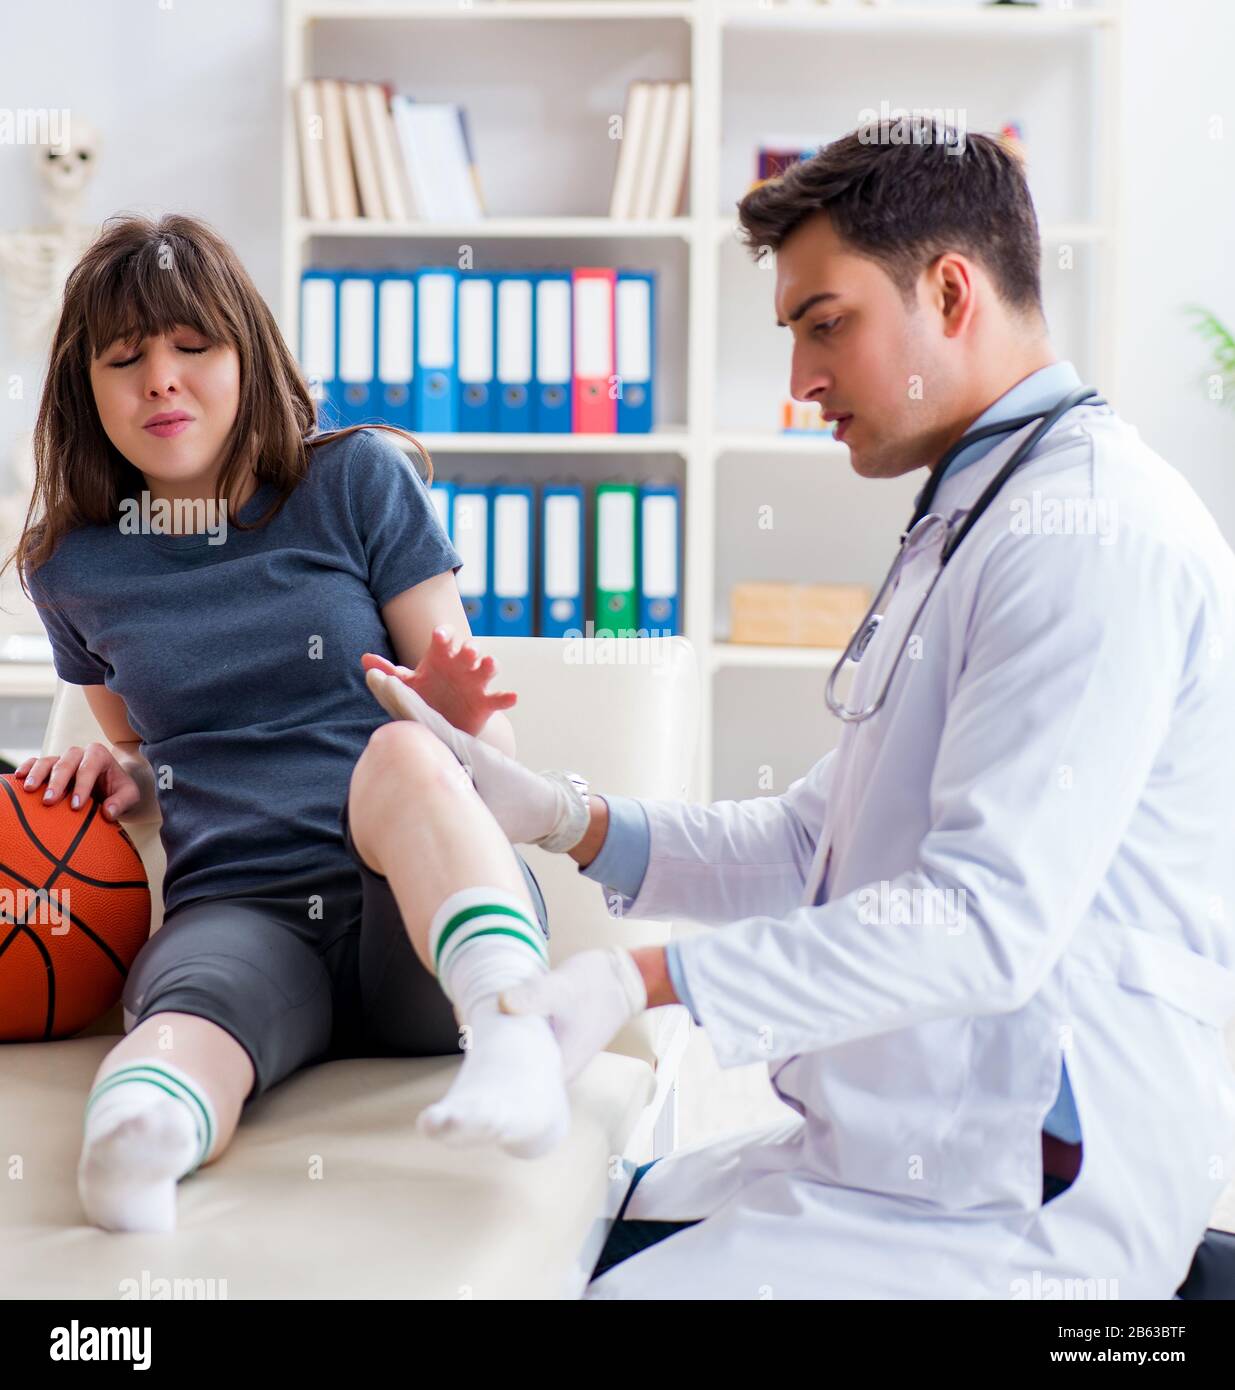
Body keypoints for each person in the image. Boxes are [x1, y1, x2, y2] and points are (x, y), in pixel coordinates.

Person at [367, 122, 1235, 1299]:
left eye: (824, 324)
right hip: (887, 1150)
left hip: (1014, 1199)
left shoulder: (1088, 536)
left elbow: (982, 921)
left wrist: (644, 981)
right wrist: (560, 816)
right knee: (568, 1235)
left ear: (947, 290)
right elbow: (804, 841)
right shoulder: (973, 518)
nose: (800, 382)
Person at [4, 211, 577, 1234]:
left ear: (248, 356)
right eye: (124, 358)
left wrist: (464, 732)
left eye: (193, 347)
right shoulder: (69, 565)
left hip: (415, 890)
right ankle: (140, 1138)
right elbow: (148, 758)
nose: (160, 380)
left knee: (402, 747)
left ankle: (513, 1033)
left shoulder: (354, 479)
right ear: (84, 391)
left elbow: (474, 753)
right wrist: (116, 779)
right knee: (183, 1015)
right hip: (244, 907)